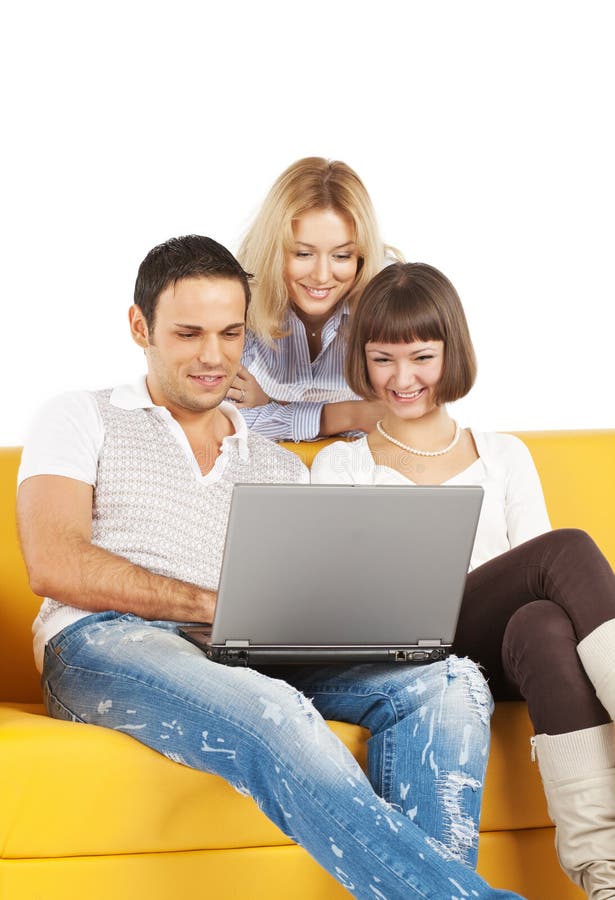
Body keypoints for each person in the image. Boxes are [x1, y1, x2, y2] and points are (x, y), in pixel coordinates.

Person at [16, 235, 524, 900]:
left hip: (244, 653)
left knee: (449, 682)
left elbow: (300, 591)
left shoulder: (279, 462)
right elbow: (55, 564)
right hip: (104, 645)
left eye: (230, 334)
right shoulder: (81, 415)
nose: (212, 356)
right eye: (188, 333)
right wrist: (210, 605)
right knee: (271, 708)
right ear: (139, 327)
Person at [311, 261, 615, 899]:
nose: (402, 379)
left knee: (540, 622)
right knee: (566, 552)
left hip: (507, 657)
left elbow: (538, 588)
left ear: (451, 352)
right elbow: (340, 602)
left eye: (420, 357)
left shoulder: (503, 455)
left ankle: (605, 879)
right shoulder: (344, 464)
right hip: (413, 655)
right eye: (382, 359)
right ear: (362, 362)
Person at [226, 156, 403, 441]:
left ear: (361, 254)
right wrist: (351, 414)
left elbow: (405, 418)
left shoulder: (390, 294)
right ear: (275, 250)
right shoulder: (242, 290)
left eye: (342, 255)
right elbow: (223, 421)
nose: (322, 276)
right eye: (303, 254)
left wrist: (273, 408)